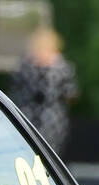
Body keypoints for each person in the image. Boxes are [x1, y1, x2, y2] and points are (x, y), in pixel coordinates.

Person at [10, 26, 79, 155]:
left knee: (25, 152)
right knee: (50, 156)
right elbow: (71, 94)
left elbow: (14, 89)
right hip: (52, 120)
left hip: (25, 116)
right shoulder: (62, 67)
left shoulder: (24, 65)